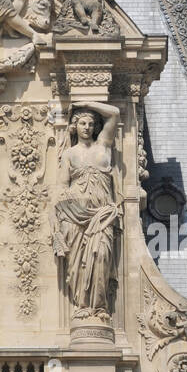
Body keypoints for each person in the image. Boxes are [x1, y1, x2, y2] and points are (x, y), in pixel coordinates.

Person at [52, 102, 123, 320]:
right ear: (75, 126)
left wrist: (84, 103)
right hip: (75, 216)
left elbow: (115, 113)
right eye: (82, 122)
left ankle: (99, 307)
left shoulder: (103, 146)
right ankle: (82, 305)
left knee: (101, 257)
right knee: (76, 266)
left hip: (102, 215)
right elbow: (62, 187)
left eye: (91, 123)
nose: (87, 127)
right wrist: (58, 223)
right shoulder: (69, 155)